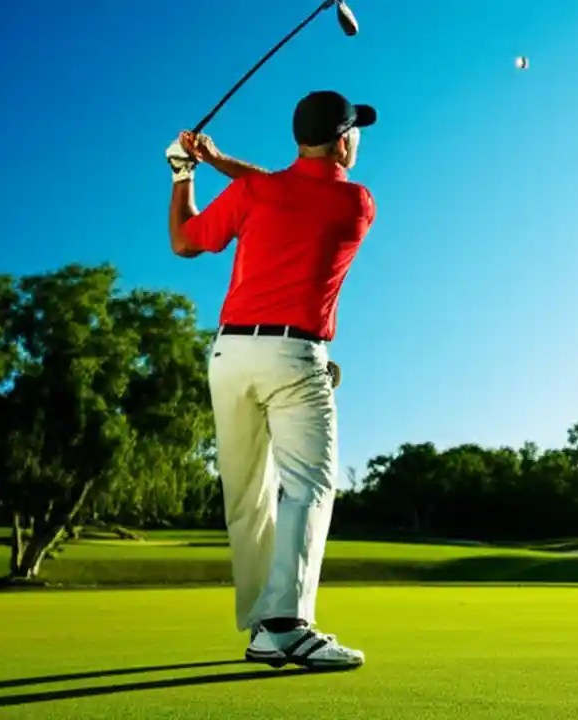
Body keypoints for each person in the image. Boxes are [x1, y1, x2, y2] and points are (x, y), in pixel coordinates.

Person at [164, 90, 376, 670]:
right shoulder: (358, 201)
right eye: (355, 131)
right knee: (307, 486)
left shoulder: (255, 192)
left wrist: (188, 173)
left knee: (247, 495)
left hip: (229, 355)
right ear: (342, 140)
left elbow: (185, 242)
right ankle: (285, 624)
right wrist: (217, 160)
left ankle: (265, 625)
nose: (357, 139)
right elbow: (293, 188)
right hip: (294, 356)